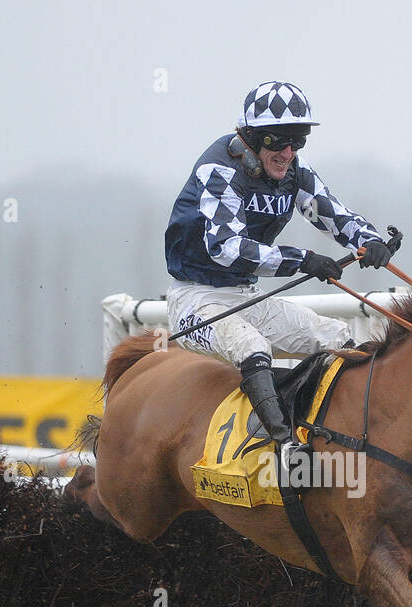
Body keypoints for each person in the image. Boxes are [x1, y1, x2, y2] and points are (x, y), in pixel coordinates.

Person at [164, 81, 394, 478]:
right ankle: (287, 449)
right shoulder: (218, 170)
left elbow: (335, 216)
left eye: (298, 141)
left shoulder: (294, 173)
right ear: (250, 137)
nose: (288, 153)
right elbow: (227, 248)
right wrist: (302, 259)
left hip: (244, 296)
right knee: (252, 346)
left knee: (337, 338)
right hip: (195, 301)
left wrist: (371, 241)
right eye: (278, 140)